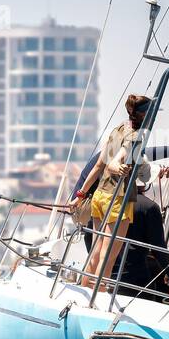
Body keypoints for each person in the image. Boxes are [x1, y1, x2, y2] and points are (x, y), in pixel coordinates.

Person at [71, 94, 152, 289]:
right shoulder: (137, 136)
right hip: (119, 197)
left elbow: (99, 165)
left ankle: (84, 289)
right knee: (109, 254)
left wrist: (79, 196)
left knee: (97, 250)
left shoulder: (118, 129)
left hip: (100, 194)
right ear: (143, 115)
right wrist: (120, 167)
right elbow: (115, 163)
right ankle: (96, 296)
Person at [116, 173, 169, 301]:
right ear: (146, 184)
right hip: (133, 275)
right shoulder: (149, 207)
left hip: (107, 271)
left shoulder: (112, 200)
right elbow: (158, 247)